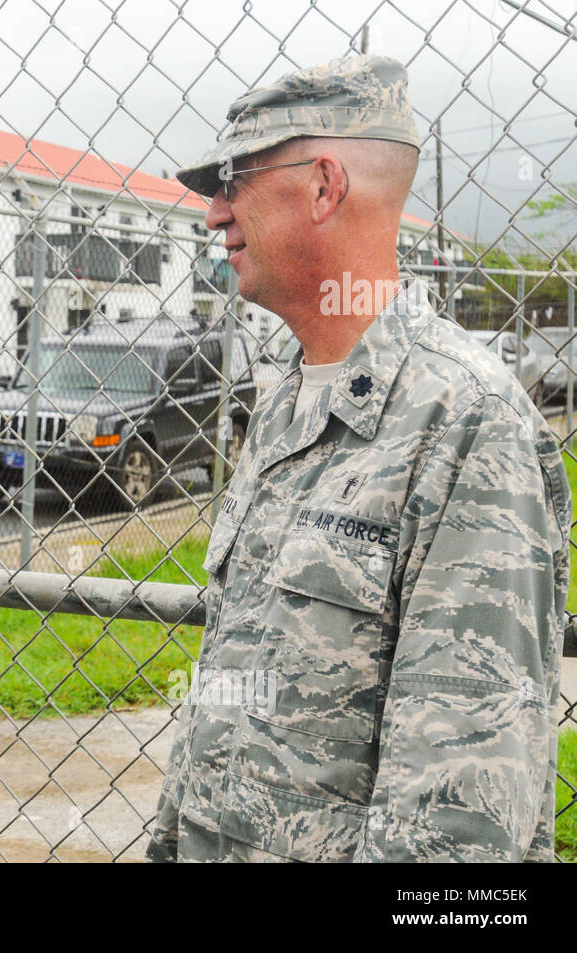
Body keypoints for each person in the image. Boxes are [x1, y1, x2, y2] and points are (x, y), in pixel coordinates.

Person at [146, 56, 569, 862]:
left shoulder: (466, 424)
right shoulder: (284, 403)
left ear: (324, 185)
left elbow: (454, 834)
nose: (212, 214)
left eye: (233, 179)